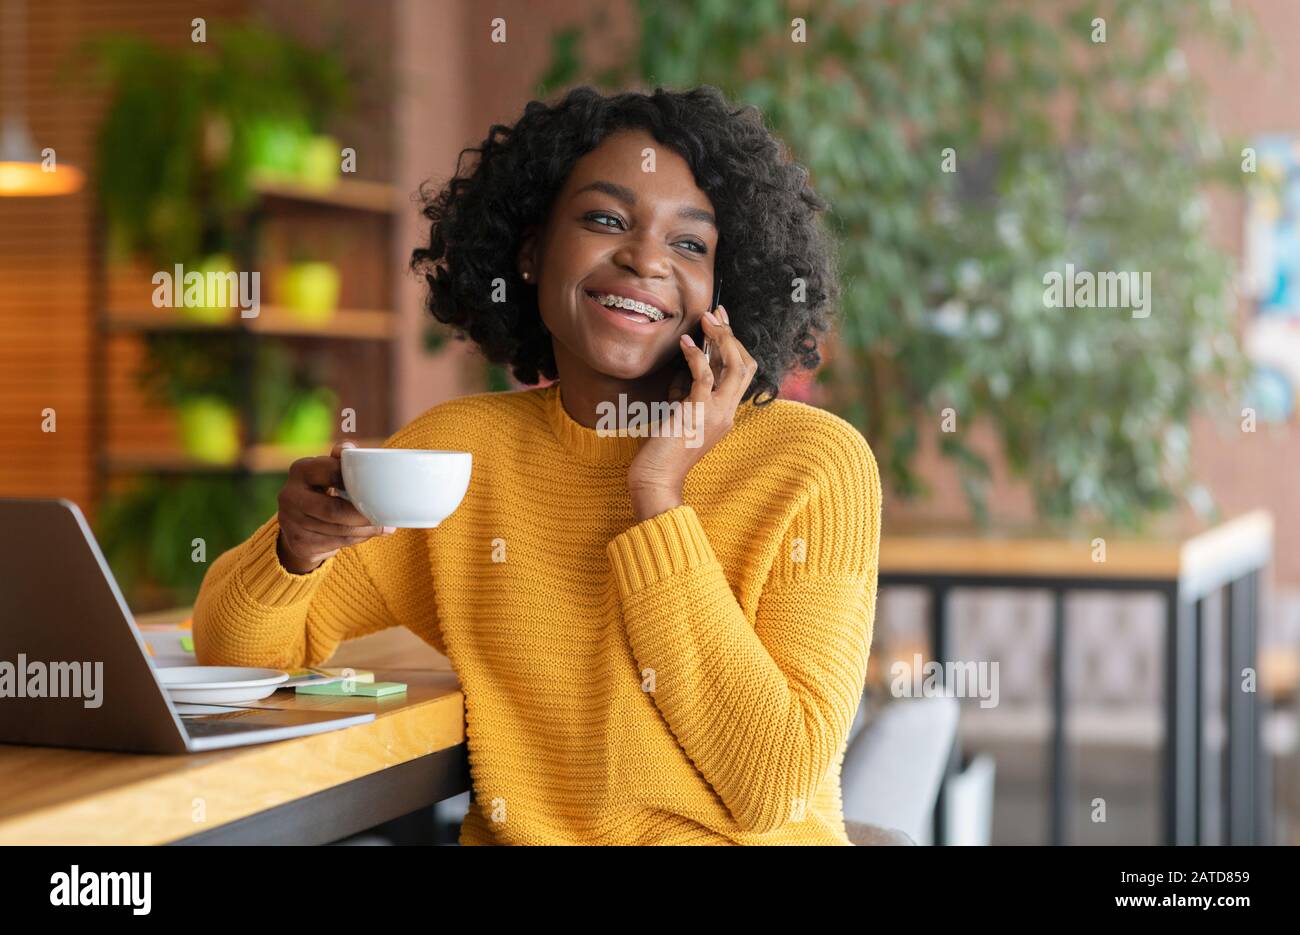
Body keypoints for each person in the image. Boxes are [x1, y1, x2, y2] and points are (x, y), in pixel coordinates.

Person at [193, 85, 882, 845]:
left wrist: (657, 496)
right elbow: (237, 655)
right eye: (605, 219)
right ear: (530, 251)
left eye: (690, 244)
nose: (645, 258)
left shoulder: (811, 463)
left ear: (724, 288)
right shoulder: (461, 455)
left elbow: (773, 785)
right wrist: (296, 549)